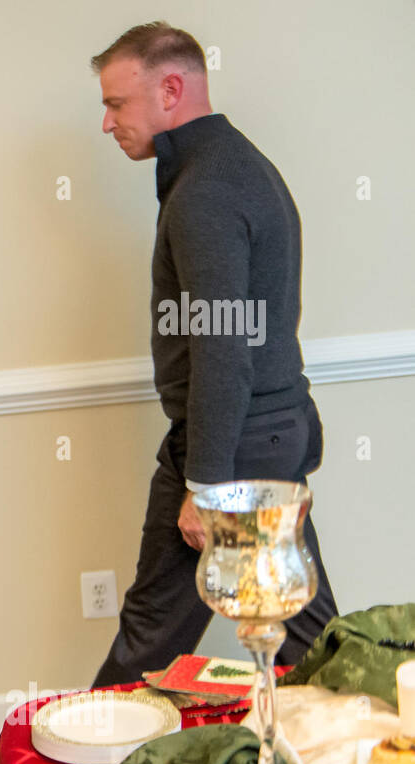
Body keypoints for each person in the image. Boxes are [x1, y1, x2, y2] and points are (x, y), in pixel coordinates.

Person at [88, 23, 338, 688]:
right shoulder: (236, 165)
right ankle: (363, 762)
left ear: (171, 89)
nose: (106, 122)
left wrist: (206, 487)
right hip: (267, 433)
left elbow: (223, 348)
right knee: (309, 638)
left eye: (116, 104)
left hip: (235, 447)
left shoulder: (205, 189)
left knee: (149, 644)